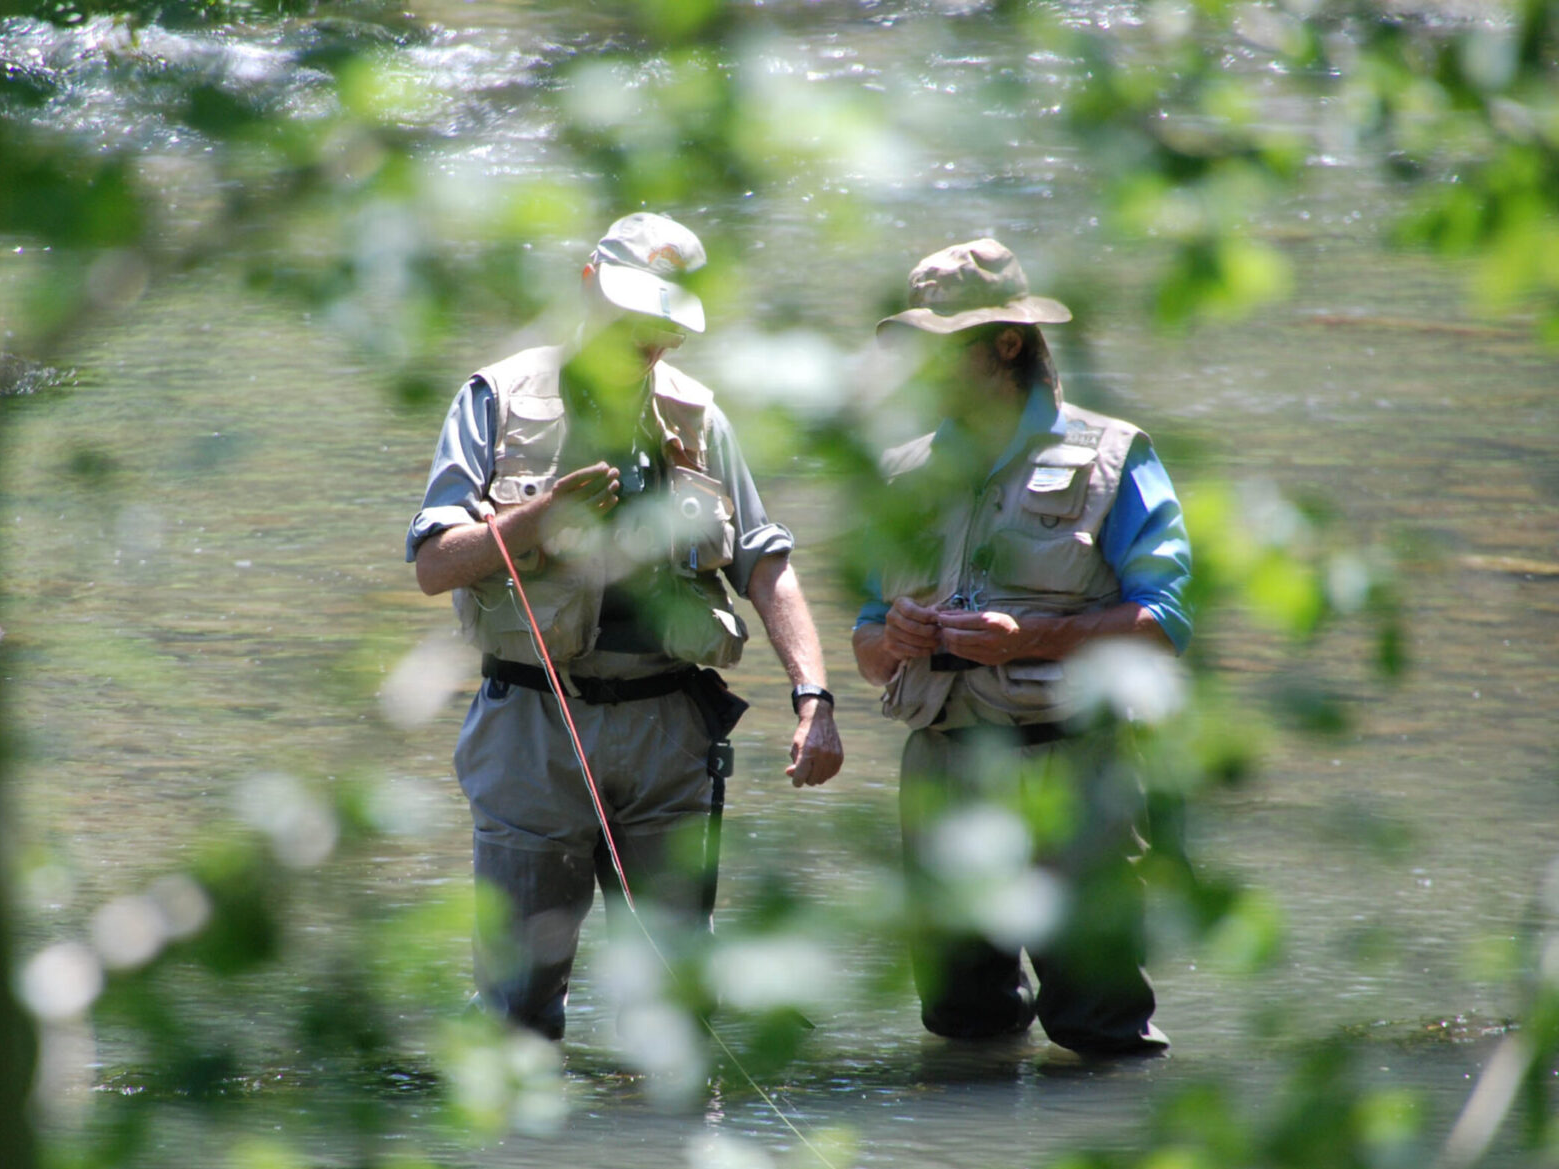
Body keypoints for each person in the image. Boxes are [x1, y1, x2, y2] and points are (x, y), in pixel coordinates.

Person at [407, 212, 845, 1040]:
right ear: (586, 286)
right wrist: (538, 517)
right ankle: (524, 1162)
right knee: (515, 1009)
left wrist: (813, 694)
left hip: (669, 735)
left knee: (682, 1013)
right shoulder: (496, 400)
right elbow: (433, 563)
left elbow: (763, 562)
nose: (649, 339)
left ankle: (669, 1166)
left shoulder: (701, 419)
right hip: (533, 729)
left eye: (664, 323)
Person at [850, 238, 1192, 1056]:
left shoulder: (1114, 455)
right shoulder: (900, 470)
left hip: (1073, 769)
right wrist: (887, 637)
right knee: (960, 1022)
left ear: (1006, 342)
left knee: (1099, 1025)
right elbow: (866, 641)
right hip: (940, 770)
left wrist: (1033, 637)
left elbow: (1165, 624)